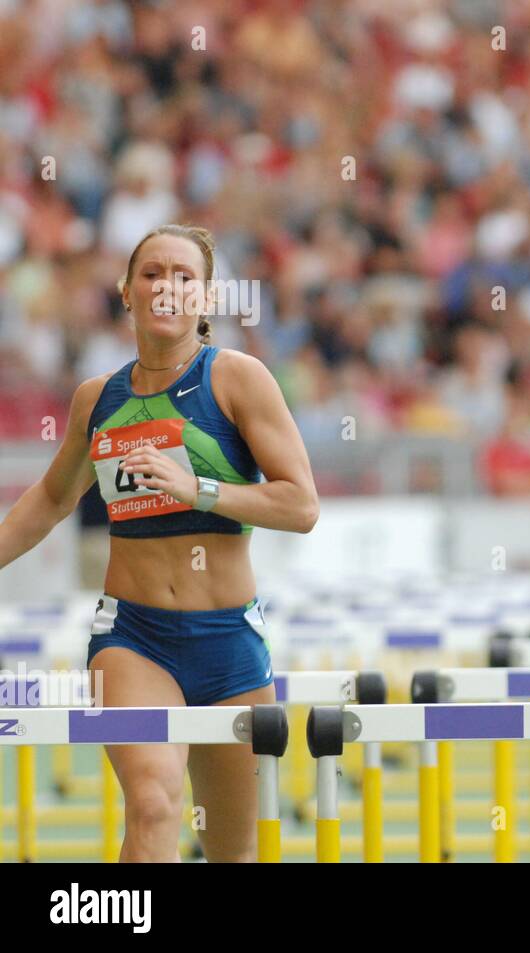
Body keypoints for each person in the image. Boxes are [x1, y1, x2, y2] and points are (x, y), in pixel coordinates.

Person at [0, 224, 319, 861]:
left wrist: (196, 487)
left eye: (183, 277)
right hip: (133, 638)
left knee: (233, 849)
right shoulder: (98, 399)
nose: (166, 287)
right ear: (126, 292)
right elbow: (51, 500)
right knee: (151, 804)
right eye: (152, 274)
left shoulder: (238, 379)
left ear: (206, 299)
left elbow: (300, 504)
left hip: (229, 641)